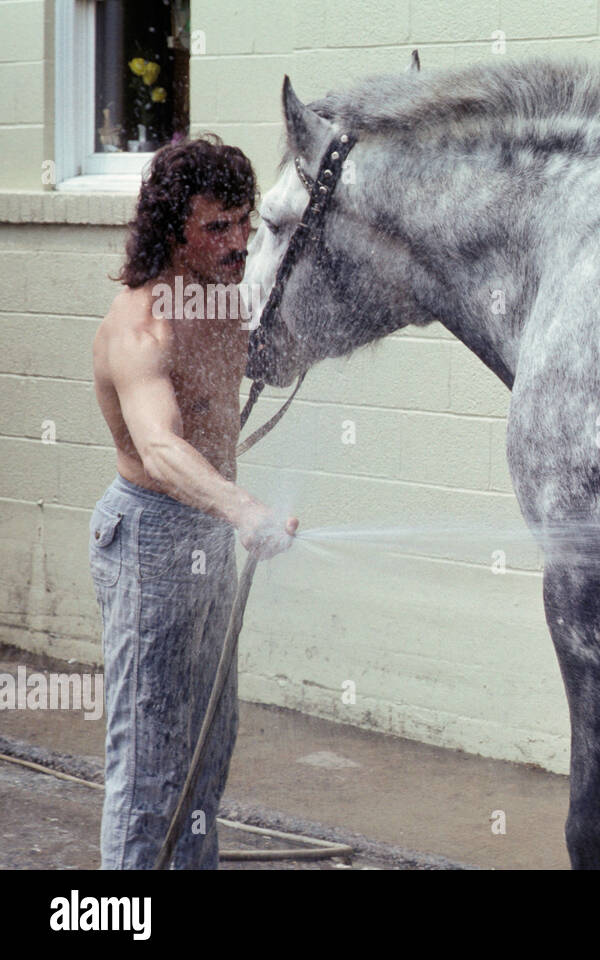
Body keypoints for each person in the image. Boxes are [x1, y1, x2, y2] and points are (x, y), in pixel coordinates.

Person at [88, 133, 298, 869]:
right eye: (217, 227)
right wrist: (247, 511)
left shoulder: (228, 295)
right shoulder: (141, 324)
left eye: (243, 221)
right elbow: (162, 449)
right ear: (172, 228)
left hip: (207, 541)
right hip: (149, 536)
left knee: (209, 750)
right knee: (149, 761)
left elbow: (269, 358)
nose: (237, 242)